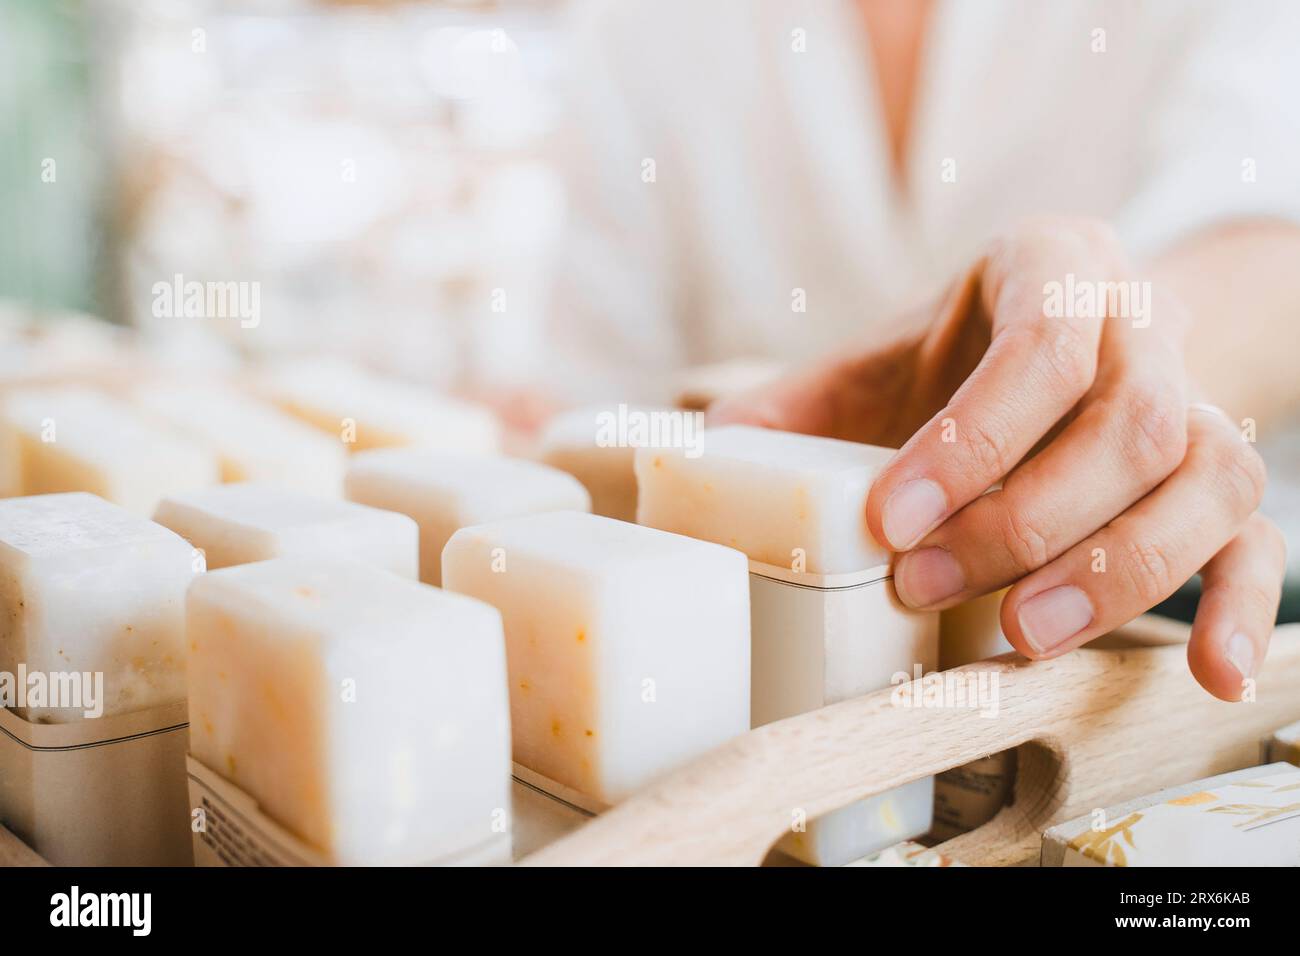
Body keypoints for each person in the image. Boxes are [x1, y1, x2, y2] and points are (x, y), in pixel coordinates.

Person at [542, 0, 1300, 701]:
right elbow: (603, 407)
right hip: (763, 673)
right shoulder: (633, 28)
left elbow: (1271, 226)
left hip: (1152, 612)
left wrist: (1137, 377)